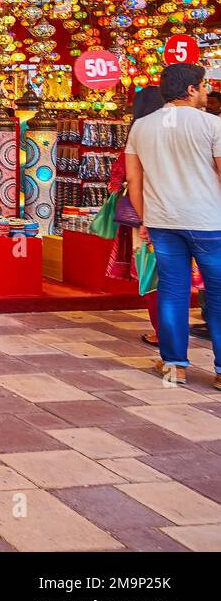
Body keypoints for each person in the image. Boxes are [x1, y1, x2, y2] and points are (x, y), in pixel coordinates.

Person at [124, 63, 221, 387]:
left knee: (172, 292)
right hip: (209, 221)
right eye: (204, 86)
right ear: (191, 89)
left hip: (163, 221)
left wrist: (146, 218)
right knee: (218, 295)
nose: (206, 92)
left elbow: (133, 181)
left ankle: (174, 365)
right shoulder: (212, 125)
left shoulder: (141, 127)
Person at [106, 86, 165, 346]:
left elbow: (120, 179)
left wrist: (142, 218)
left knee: (152, 274)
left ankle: (163, 333)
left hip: (147, 215)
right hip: (183, 212)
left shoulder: (138, 134)